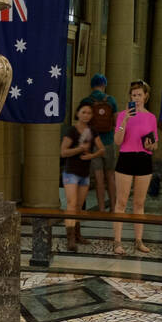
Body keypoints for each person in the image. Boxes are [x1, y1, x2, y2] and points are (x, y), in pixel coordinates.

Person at [111, 79, 158, 255]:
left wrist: (150, 145)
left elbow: (155, 145)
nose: (136, 98)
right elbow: (117, 141)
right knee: (121, 202)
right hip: (126, 158)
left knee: (139, 203)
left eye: (139, 94)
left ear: (146, 96)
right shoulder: (123, 115)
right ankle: (117, 242)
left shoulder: (151, 117)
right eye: (133, 95)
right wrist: (125, 120)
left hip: (144, 159)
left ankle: (139, 240)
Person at [60, 103, 103, 251]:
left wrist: (91, 154)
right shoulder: (71, 131)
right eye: (83, 112)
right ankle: (70, 239)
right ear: (77, 113)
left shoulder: (92, 131)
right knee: (71, 205)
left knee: (79, 206)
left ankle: (77, 235)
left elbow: (102, 149)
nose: (86, 115)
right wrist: (80, 149)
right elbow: (63, 152)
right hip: (71, 172)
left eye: (89, 113)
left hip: (84, 173)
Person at [78, 74, 118, 212]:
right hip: (108, 141)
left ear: (92, 85)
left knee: (99, 178)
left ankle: (101, 209)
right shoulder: (111, 100)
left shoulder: (86, 101)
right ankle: (113, 208)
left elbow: (82, 122)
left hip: (93, 144)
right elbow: (116, 121)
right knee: (111, 176)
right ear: (104, 85)